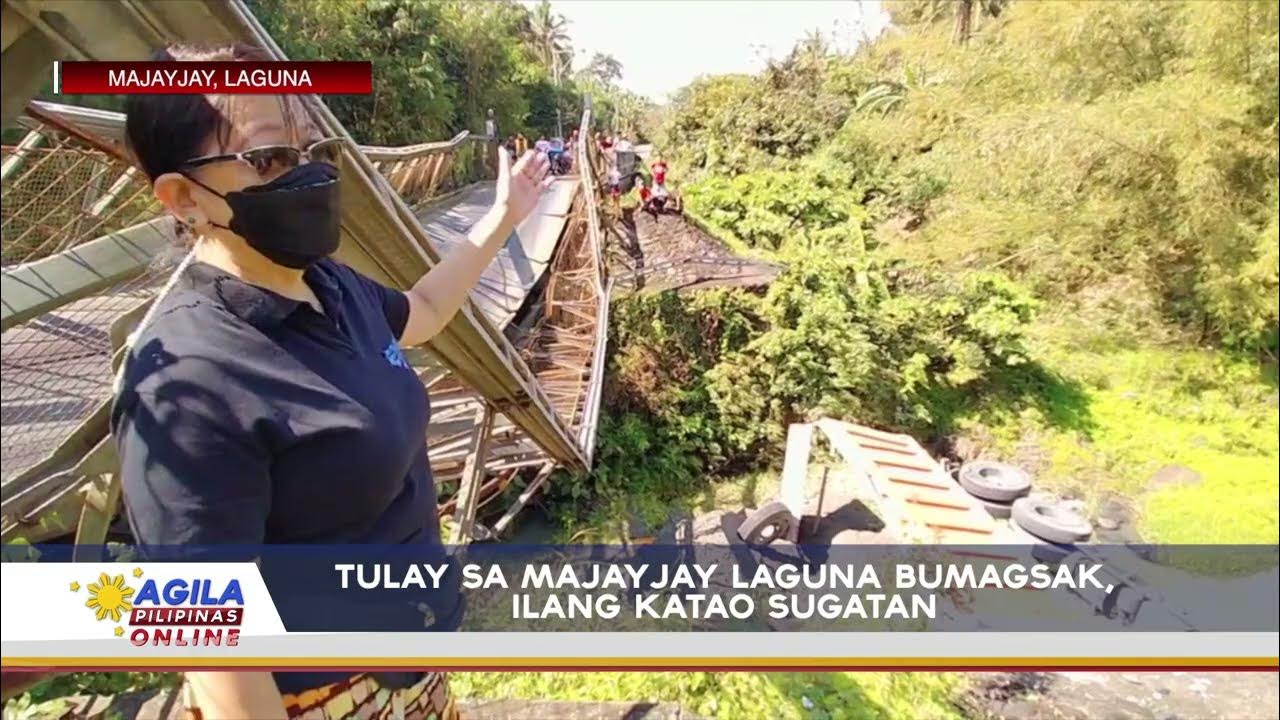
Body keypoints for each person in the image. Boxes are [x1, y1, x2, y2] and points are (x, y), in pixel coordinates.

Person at [114, 42, 551, 720]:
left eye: (311, 151)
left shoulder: (329, 286)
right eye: (269, 158)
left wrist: (506, 214)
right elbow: (215, 654)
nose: (307, 177)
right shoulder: (187, 383)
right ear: (183, 198)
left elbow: (427, 310)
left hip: (416, 669)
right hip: (324, 700)